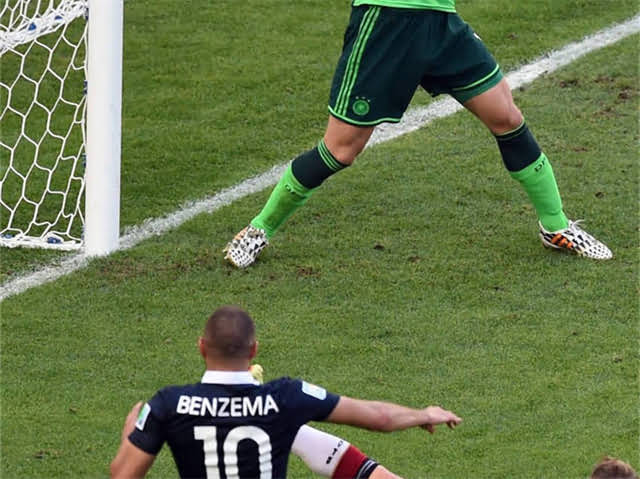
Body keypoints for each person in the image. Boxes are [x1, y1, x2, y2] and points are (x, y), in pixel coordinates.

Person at [223, 0, 612, 268]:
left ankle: (556, 226)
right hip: (385, 22)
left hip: (440, 23)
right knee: (340, 149)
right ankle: (258, 229)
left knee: (506, 117)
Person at [110, 305, 461, 478]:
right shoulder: (284, 399)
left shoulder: (168, 405)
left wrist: (132, 434)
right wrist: (423, 414)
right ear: (254, 349)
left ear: (201, 347)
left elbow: (122, 476)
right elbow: (378, 417)